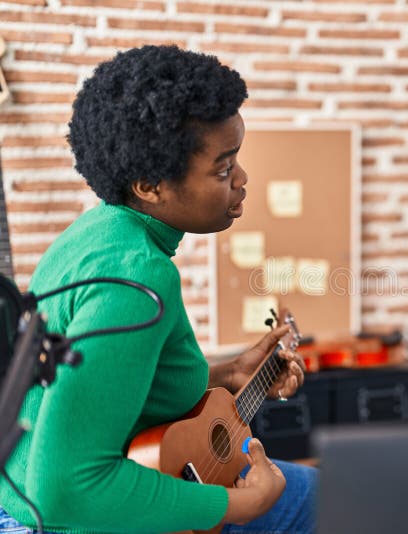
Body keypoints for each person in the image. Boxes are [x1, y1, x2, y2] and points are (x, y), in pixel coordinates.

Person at [0, 45, 315, 533]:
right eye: (223, 167)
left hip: (21, 492)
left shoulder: (97, 233)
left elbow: (110, 382)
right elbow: (66, 487)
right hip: (59, 520)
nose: (242, 179)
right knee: (334, 500)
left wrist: (229, 373)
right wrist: (241, 507)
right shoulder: (139, 277)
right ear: (150, 185)